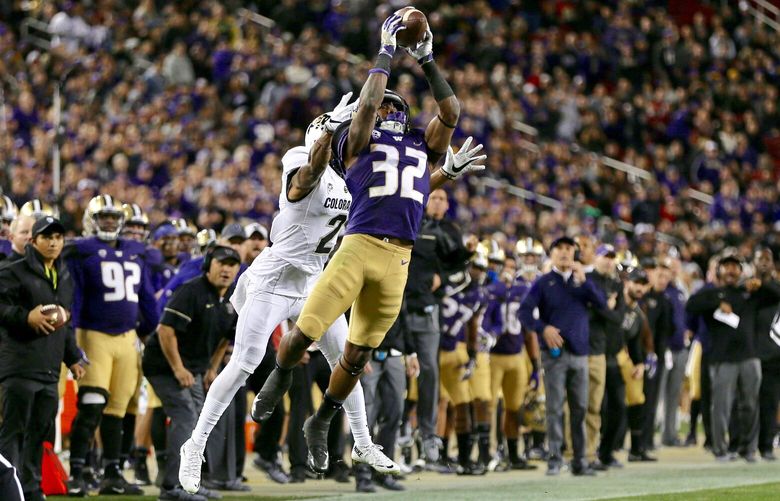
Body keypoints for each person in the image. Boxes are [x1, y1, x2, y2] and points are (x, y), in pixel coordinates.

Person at [247, 13, 485, 475]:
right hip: (358, 245)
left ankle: (321, 420)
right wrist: (386, 51)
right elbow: (365, 108)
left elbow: (450, 115)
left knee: (358, 355)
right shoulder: (358, 141)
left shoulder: (419, 145)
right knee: (305, 333)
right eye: (382, 107)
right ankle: (278, 378)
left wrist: (428, 60)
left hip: (400, 256)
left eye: (396, 107)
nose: (389, 111)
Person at [178, 94, 409, 494]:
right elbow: (307, 176)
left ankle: (364, 443)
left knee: (349, 358)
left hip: (315, 279)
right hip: (276, 277)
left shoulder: (353, 172)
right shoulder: (300, 156)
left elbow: (398, 192)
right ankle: (194, 445)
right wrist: (329, 131)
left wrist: (445, 172)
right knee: (245, 361)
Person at [65, 194, 159, 496]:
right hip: (94, 335)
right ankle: (78, 471)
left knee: (119, 409)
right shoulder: (81, 251)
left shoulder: (135, 251)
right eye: (103, 217)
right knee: (92, 402)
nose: (108, 222)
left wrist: (150, 329)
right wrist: (72, 337)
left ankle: (112, 472)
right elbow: (76, 298)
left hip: (128, 338)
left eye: (113, 218)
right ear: (91, 220)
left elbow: (145, 296)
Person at [143, 245, 241, 501]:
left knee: (198, 421)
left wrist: (211, 368)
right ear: (208, 265)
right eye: (221, 263)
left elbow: (225, 338)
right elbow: (165, 330)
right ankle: (171, 488)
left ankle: (189, 483)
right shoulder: (192, 290)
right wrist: (178, 368)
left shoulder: (232, 298)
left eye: (232, 264)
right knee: (186, 417)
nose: (226, 269)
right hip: (163, 364)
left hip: (193, 367)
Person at [0, 216, 86, 501]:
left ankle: (32, 489)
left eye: (58, 237)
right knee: (13, 433)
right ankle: (8, 490)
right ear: (32, 241)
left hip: (49, 369)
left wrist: (73, 357)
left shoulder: (64, 276)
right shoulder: (12, 271)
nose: (53, 242)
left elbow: (66, 324)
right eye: (47, 236)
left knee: (39, 433)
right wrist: (25, 317)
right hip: (20, 366)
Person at [520, 236, 606, 476]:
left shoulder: (582, 283)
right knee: (555, 407)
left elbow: (602, 306)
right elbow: (524, 312)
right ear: (552, 254)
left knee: (580, 407)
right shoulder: (544, 282)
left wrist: (585, 281)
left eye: (569, 249)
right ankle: (555, 458)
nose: (565, 253)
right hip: (555, 355)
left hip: (580, 353)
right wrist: (543, 328)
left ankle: (580, 460)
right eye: (560, 249)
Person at [402, 188, 476, 464]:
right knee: (396, 373)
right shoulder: (411, 219)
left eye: (443, 198)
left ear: (447, 205)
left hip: (427, 307)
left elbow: (454, 264)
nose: (437, 201)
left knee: (429, 372)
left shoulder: (449, 231)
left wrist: (445, 275)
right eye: (434, 196)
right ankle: (397, 427)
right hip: (398, 306)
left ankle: (429, 434)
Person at [687, 254, 780, 461]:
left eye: (734, 267)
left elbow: (776, 295)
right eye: (726, 267)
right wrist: (719, 300)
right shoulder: (711, 292)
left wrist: (761, 284)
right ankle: (721, 449)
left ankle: (748, 449)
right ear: (719, 270)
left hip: (749, 357)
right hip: (722, 359)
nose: (730, 271)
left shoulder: (748, 293)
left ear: (741, 271)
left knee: (750, 405)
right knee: (721, 407)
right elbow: (691, 305)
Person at [484, 242, 540, 471]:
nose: (506, 271)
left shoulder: (521, 290)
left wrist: (535, 364)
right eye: (502, 266)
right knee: (488, 406)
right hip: (492, 356)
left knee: (514, 407)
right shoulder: (490, 289)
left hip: (516, 355)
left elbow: (528, 331)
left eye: (509, 266)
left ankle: (513, 453)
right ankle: (488, 453)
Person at [439, 247, 489, 475]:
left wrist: (471, 355)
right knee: (414, 403)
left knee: (463, 403)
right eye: (474, 267)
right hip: (428, 350)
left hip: (451, 351)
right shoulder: (445, 282)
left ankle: (464, 459)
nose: (477, 272)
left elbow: (472, 326)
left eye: (481, 268)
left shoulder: (479, 295)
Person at [583, 243, 623, 470]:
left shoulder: (616, 283)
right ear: (596, 258)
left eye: (611, 257)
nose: (608, 261)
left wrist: (602, 310)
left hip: (611, 354)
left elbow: (619, 317)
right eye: (604, 257)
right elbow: (589, 313)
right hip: (591, 349)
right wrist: (606, 308)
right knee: (592, 405)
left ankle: (605, 453)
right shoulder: (587, 280)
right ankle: (585, 453)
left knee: (616, 405)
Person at [752, 247, 780, 460]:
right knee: (745, 404)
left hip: (772, 357)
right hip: (748, 356)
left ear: (772, 264)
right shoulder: (747, 288)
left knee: (769, 404)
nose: (763, 262)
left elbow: (774, 293)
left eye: (767, 259)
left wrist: (762, 284)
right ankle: (745, 446)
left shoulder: (773, 288)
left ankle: (766, 446)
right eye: (759, 259)